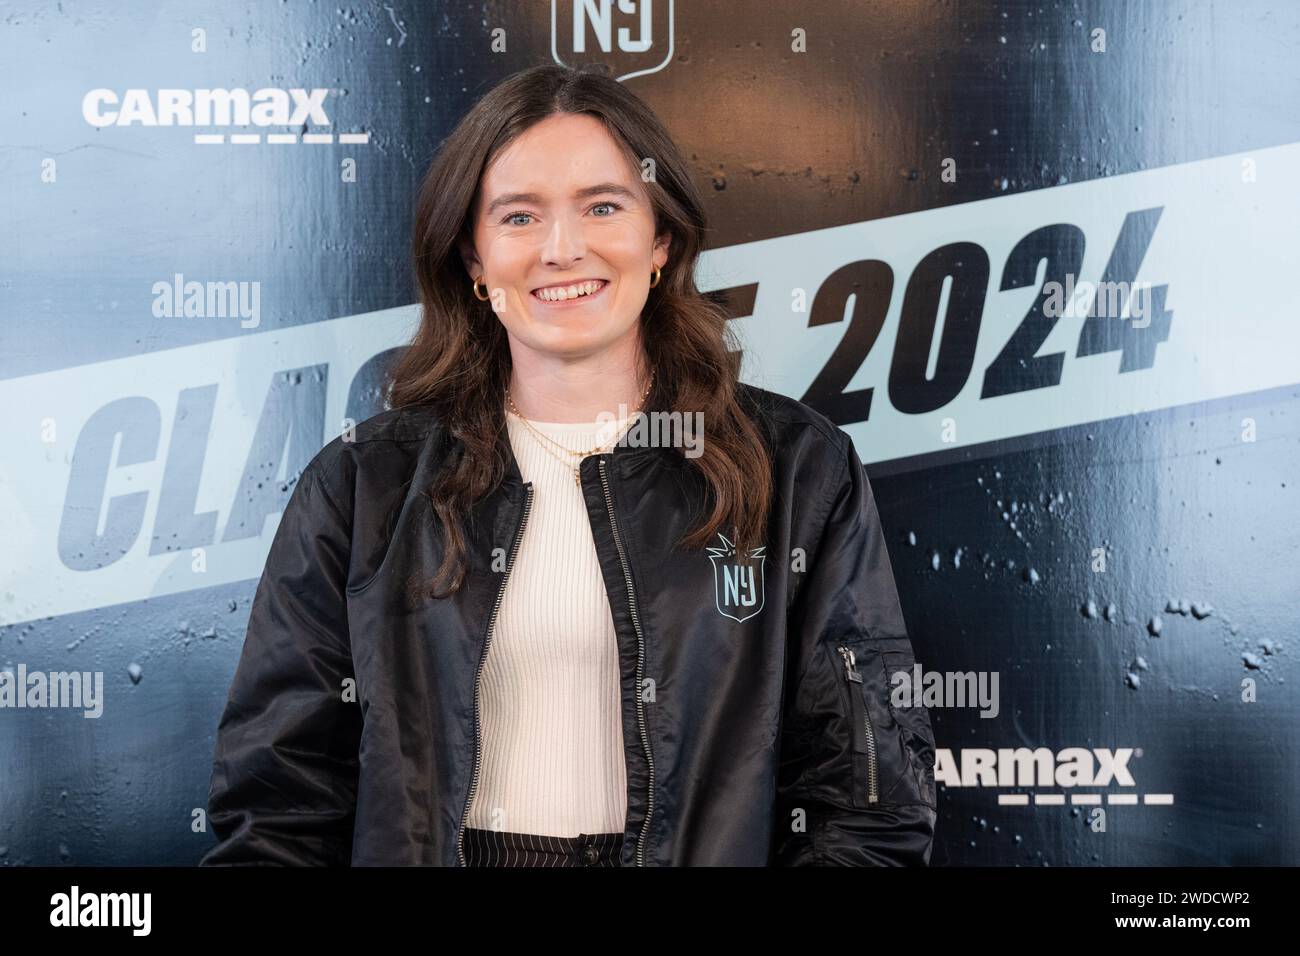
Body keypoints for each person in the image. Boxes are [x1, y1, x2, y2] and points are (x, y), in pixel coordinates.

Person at [201, 63, 936, 867]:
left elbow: (868, 800)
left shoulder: (795, 470)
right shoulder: (362, 484)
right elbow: (277, 807)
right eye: (518, 217)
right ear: (474, 260)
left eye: (603, 207)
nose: (562, 248)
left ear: (660, 241)